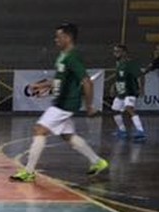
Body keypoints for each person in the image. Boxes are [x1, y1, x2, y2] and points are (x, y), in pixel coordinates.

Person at [10, 23, 108, 183]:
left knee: (39, 130)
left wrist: (89, 106)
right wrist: (42, 85)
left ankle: (29, 171)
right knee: (68, 135)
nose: (56, 40)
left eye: (59, 36)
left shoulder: (72, 57)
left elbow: (87, 81)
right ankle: (97, 162)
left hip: (65, 104)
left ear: (68, 37)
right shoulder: (63, 56)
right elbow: (59, 80)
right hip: (62, 103)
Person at [110, 43, 145, 141]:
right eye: (114, 51)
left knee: (129, 108)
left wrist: (142, 88)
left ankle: (140, 131)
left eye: (118, 51)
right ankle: (122, 130)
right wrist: (113, 86)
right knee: (115, 110)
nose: (115, 53)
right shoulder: (119, 64)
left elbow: (141, 75)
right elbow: (119, 77)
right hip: (121, 91)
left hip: (130, 90)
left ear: (124, 52)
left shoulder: (130, 63)